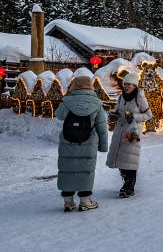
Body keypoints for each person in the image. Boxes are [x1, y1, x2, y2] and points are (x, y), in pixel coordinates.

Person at [55, 76, 109, 212]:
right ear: (90, 87)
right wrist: (103, 146)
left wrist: (67, 100)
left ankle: (68, 202)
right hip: (89, 143)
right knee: (86, 170)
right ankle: (85, 201)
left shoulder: (67, 102)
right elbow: (102, 128)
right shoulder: (97, 104)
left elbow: (59, 115)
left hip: (68, 141)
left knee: (67, 169)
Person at [106, 72, 152, 198]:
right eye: (125, 84)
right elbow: (117, 110)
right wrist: (113, 115)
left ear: (134, 86)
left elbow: (148, 115)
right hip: (120, 131)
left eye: (129, 85)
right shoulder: (121, 97)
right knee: (120, 158)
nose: (126, 86)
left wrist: (134, 116)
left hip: (132, 132)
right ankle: (126, 182)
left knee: (130, 160)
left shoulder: (139, 97)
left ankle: (129, 187)